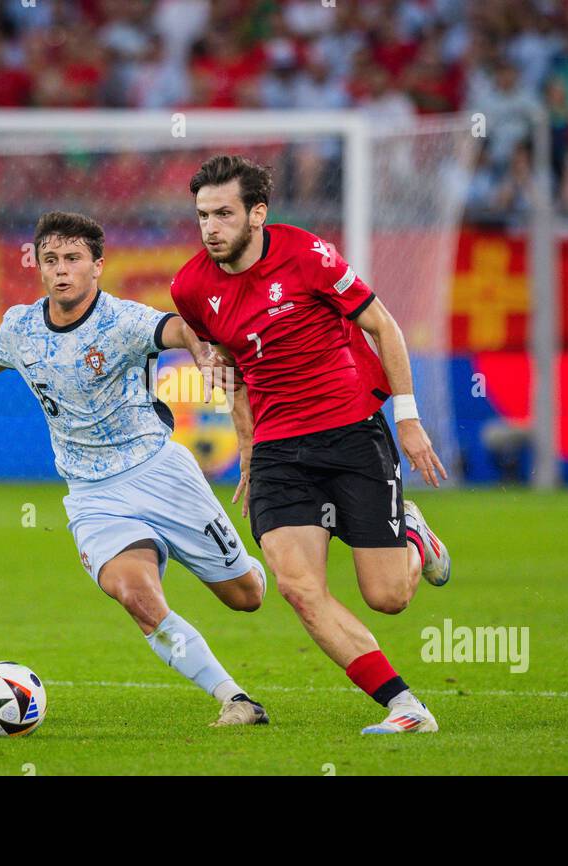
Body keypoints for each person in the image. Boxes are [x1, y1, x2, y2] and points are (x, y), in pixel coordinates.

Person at [0, 211, 270, 726]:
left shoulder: (123, 321)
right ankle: (235, 698)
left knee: (245, 596)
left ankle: (255, 561)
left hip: (161, 473)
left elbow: (181, 328)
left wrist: (204, 355)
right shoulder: (22, 327)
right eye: (50, 260)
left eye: (72, 259)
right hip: (93, 494)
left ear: (98, 265)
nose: (60, 270)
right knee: (134, 595)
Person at [170, 155, 451, 734]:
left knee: (388, 597)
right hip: (278, 452)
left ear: (258, 213)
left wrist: (409, 419)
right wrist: (247, 447)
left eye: (224, 214)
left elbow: (384, 327)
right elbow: (233, 369)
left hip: (351, 434)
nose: (211, 228)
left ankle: (414, 538)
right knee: (299, 588)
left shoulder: (307, 254)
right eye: (202, 216)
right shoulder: (190, 287)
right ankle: (405, 707)